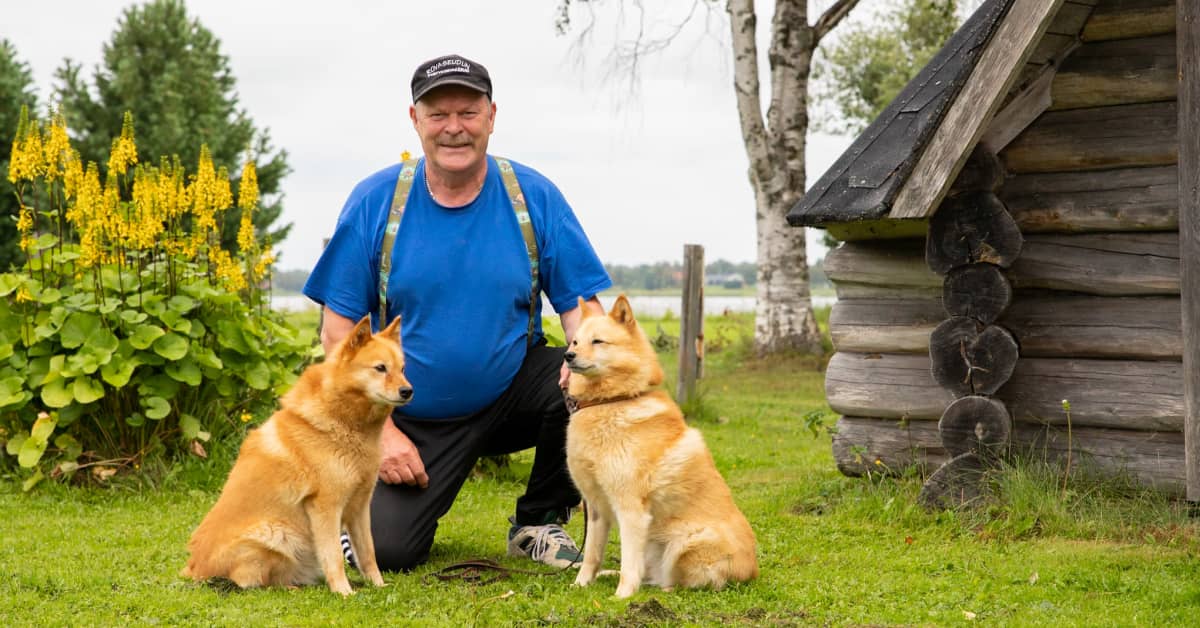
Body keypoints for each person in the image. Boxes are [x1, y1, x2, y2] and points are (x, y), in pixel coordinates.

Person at [302, 53, 611, 572]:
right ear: (415, 120)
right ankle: (354, 511)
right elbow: (338, 337)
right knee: (392, 551)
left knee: (595, 378)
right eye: (438, 114)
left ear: (491, 117)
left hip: (512, 391)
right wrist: (382, 433)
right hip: (408, 417)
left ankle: (538, 520)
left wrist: (584, 354)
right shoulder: (377, 201)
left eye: (468, 113)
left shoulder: (531, 196)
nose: (454, 128)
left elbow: (585, 309)